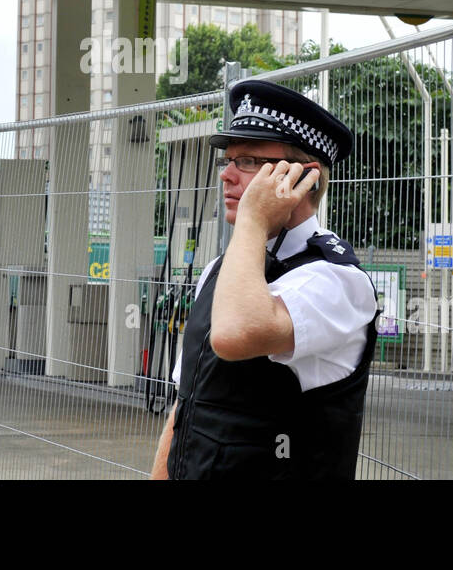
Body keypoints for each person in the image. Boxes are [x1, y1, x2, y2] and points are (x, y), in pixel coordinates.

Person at [150, 79, 380, 480]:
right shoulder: (221, 270)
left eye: (250, 161)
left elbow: (235, 334)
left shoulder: (338, 280)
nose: (228, 175)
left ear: (304, 178)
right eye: (229, 159)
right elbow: (183, 406)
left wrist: (254, 221)